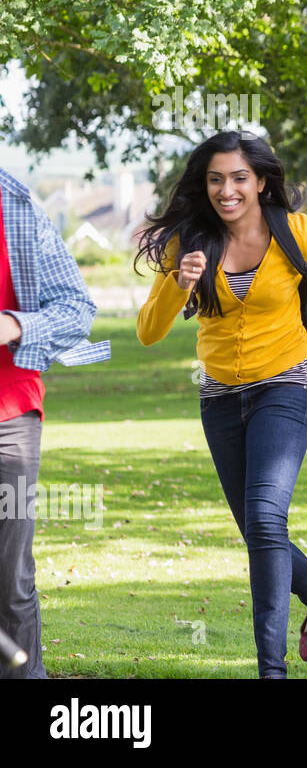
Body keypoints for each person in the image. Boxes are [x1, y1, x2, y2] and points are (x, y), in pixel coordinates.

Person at [136, 131, 307, 678]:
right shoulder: (187, 242)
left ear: (260, 181)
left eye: (239, 178)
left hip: (286, 385)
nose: (227, 190)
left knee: (264, 518)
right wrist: (177, 283)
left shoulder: (296, 232)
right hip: (219, 398)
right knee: (258, 531)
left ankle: (270, 671)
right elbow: (147, 332)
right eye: (215, 179)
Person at [0, 168, 109, 679]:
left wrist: (17, 323)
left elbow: (76, 308)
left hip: (10, 416)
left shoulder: (17, 210)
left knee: (9, 577)